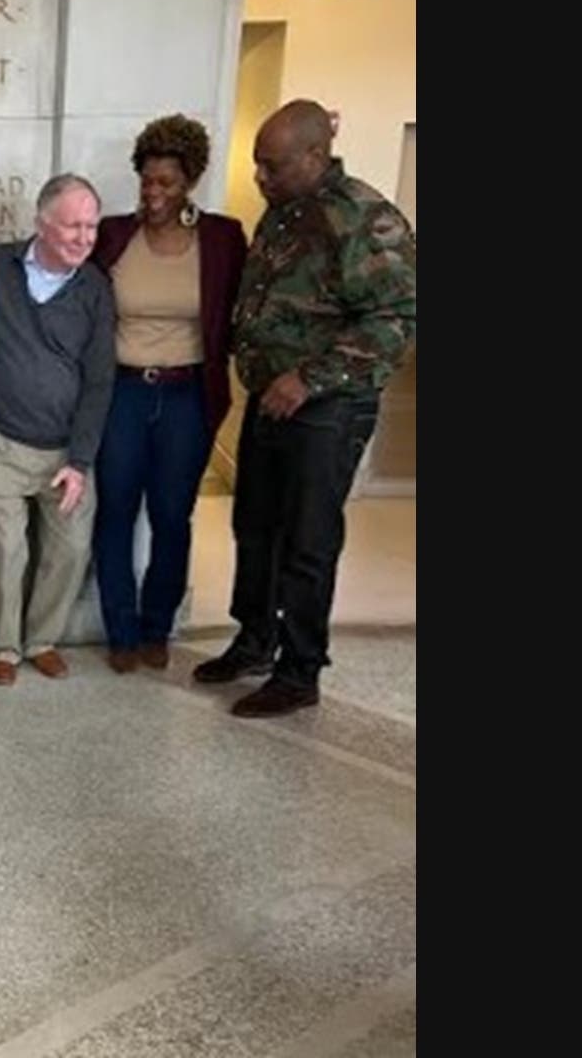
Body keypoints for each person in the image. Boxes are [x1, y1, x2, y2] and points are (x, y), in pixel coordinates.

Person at [194, 99, 416, 717]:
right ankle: (255, 639)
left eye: (273, 167)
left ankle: (299, 668)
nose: (261, 179)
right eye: (258, 166)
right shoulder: (284, 213)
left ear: (316, 156)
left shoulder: (364, 220)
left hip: (327, 409)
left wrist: (310, 378)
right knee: (255, 525)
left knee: (308, 540)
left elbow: (397, 318)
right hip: (270, 401)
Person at [91, 114, 247, 673]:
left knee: (171, 516)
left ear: (191, 181)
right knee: (114, 513)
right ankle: (121, 630)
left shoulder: (223, 238)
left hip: (187, 396)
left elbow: (235, 313)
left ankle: (157, 627)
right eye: (147, 181)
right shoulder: (113, 235)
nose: (154, 194)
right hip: (124, 394)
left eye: (167, 183)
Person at [0, 174, 115, 687]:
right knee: (4, 552)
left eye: (91, 226)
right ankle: (3, 646)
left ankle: (42, 640)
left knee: (71, 549)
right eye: (72, 225)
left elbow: (99, 381)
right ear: (41, 223)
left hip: (65, 453)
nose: (84, 237)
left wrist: (80, 462)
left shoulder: (95, 288)